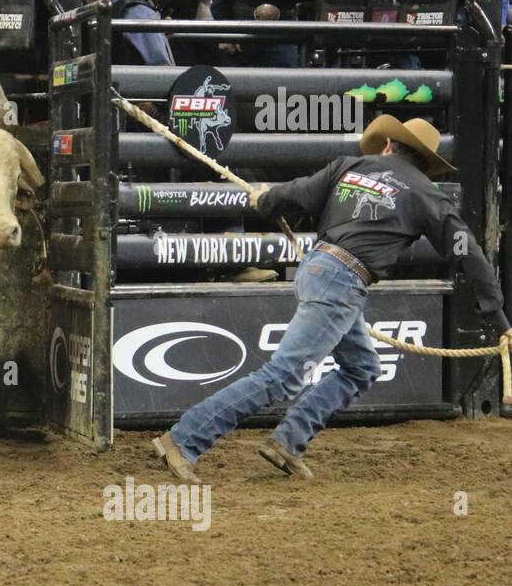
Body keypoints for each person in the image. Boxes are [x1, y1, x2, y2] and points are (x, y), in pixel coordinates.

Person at [155, 114, 512, 484]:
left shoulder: (351, 164)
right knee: (283, 377)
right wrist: (499, 319)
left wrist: (265, 200)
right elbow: (468, 253)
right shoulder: (426, 194)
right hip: (343, 281)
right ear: (426, 164)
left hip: (319, 267)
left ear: (389, 145)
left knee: (361, 367)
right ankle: (183, 439)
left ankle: (287, 441)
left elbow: (298, 193)